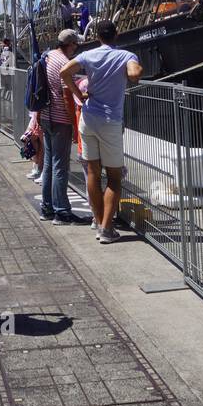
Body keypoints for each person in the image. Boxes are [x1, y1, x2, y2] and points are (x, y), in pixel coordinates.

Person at [60, 19, 141, 243]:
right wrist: (135, 72)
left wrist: (78, 95)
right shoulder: (126, 56)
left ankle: (98, 222)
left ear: (98, 37)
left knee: (93, 174)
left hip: (88, 118)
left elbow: (65, 72)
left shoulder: (89, 55)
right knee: (114, 177)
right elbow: (134, 74)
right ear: (116, 35)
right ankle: (106, 229)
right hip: (110, 120)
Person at [38, 29, 86, 225]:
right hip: (60, 119)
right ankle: (62, 212)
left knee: (49, 164)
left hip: (45, 116)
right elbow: (67, 97)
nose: (76, 48)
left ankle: (47, 207)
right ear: (71, 44)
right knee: (60, 166)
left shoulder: (47, 56)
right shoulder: (64, 63)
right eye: (75, 45)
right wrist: (73, 124)